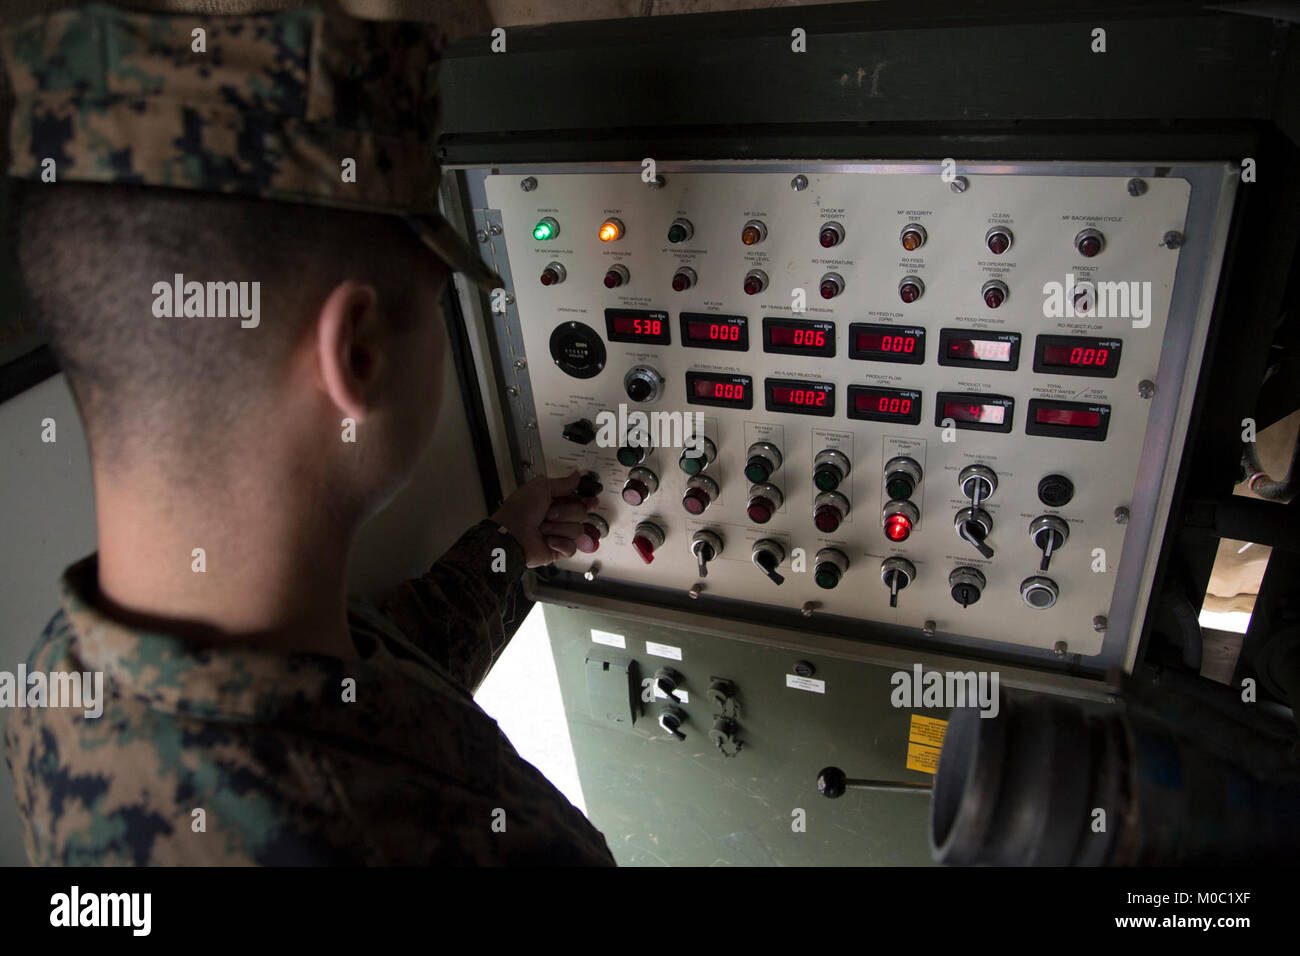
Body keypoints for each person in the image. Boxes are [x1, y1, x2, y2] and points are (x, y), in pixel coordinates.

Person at [2, 3, 616, 865]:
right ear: (356, 355)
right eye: (436, 309)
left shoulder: (62, 680)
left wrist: (506, 546)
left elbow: (360, 685)